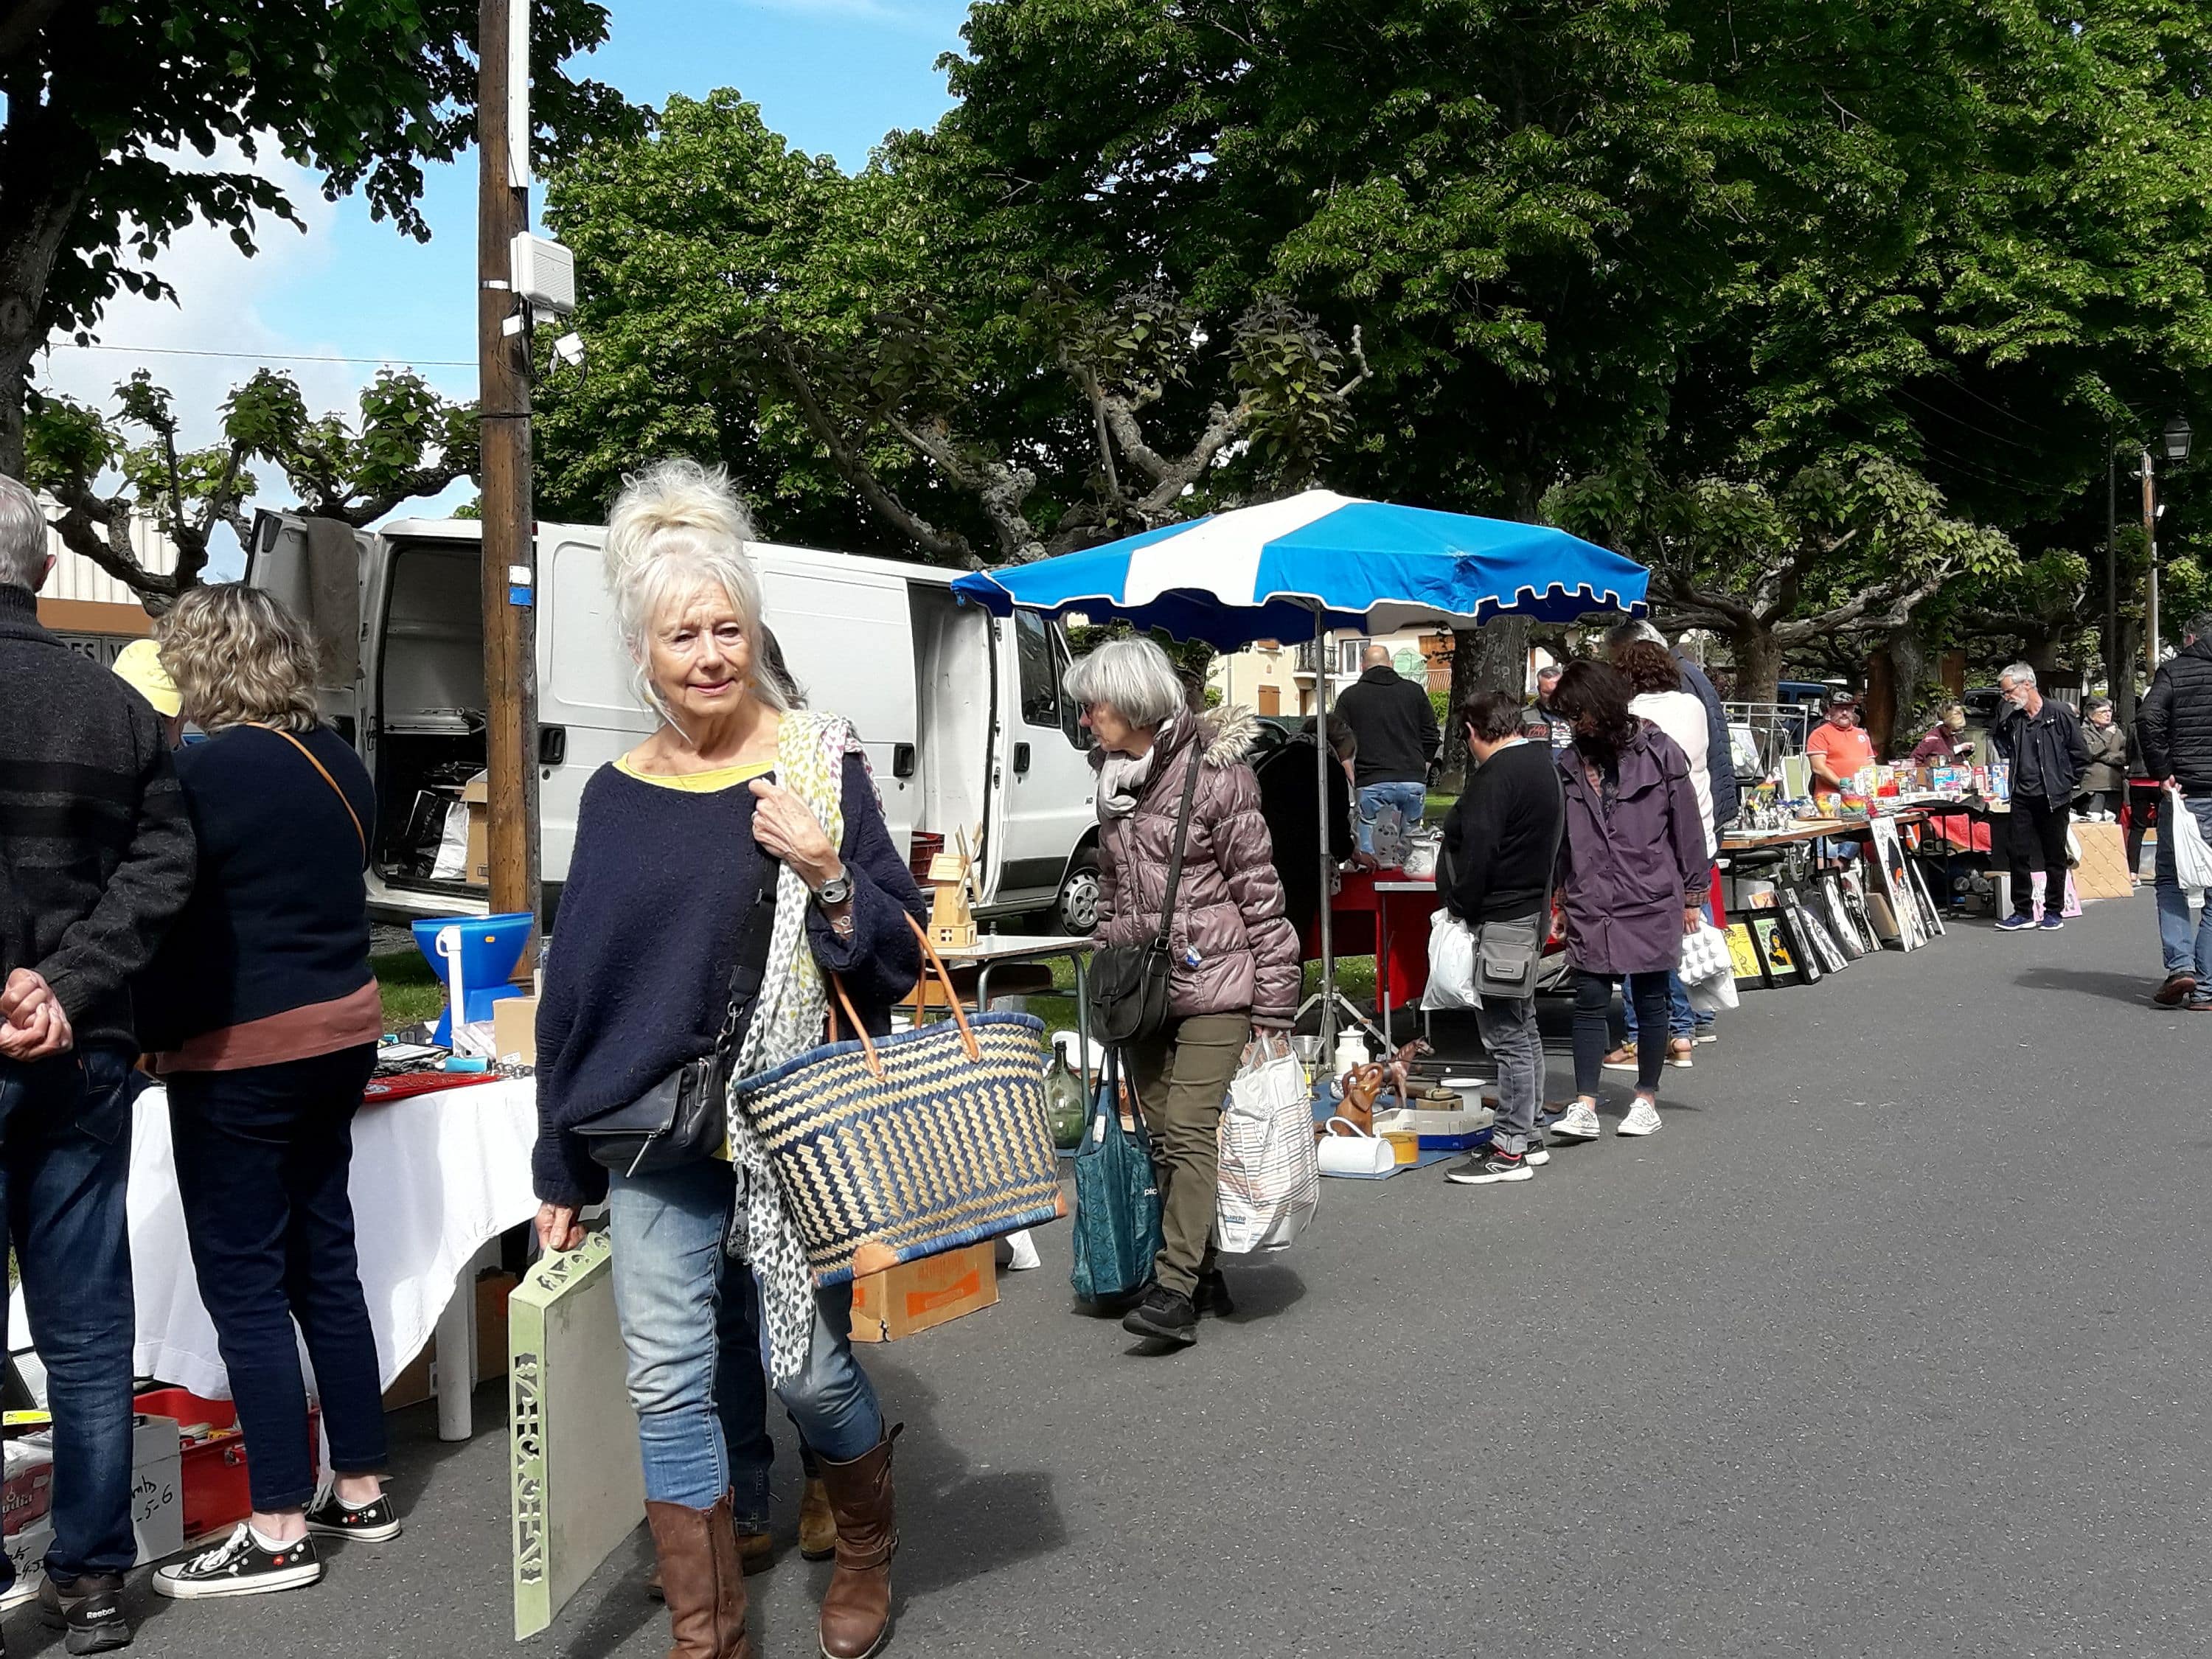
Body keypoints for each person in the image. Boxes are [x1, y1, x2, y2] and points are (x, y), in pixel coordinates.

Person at [531, 460, 927, 1659]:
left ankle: (864, 1541)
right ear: (641, 655)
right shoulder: (615, 795)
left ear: (754, 633)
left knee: (804, 1374)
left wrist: (822, 866)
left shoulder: (815, 764)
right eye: (680, 635)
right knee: (671, 1386)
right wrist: (560, 1168)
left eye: (726, 627)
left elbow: (900, 952)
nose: (707, 653)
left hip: (794, 1127)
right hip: (654, 1132)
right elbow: (578, 990)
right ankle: (712, 1639)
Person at [131, 587, 398, 1601]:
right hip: (342, 1031)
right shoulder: (340, 760)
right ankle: (362, 1484)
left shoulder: (205, 773)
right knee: (323, 1260)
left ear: (201, 662)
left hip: (243, 1048)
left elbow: (180, 924)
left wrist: (152, 1038)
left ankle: (278, 1521)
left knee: (244, 1282)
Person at [0, 473, 195, 1652]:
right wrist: (65, 985)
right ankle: (90, 1580)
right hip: (85, 1046)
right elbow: (164, 865)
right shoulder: (114, 705)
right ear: (39, 568)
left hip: (62, 1030)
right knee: (83, 1326)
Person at [1071, 638, 1299, 1348]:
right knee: (1166, 1135)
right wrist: (1108, 974)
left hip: (1218, 982)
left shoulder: (1218, 778)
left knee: (1193, 1128)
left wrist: (1274, 1005)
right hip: (1143, 992)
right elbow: (1111, 893)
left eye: (1093, 705)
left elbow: (1259, 895)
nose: (1083, 720)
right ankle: (1201, 1272)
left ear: (1134, 702)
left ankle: (1171, 1290)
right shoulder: (1114, 781)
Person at [1545, 662, 1708, 1144]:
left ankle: (1646, 1099)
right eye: (1568, 717)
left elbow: (1689, 829)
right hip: (1591, 895)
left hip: (1651, 892)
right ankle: (1585, 1105)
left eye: (1581, 714)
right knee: (1590, 998)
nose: (1576, 725)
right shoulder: (1568, 765)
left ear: (1604, 705)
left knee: (1651, 996)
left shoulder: (1661, 753)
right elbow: (1561, 841)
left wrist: (1693, 895)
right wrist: (1558, 893)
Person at [1438, 689, 1565, 1186]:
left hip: (1503, 914)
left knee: (1505, 1033)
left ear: (1472, 731)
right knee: (1523, 1023)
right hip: (1528, 908)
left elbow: (1480, 853)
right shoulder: (1542, 765)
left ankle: (1510, 1145)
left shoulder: (1497, 776)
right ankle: (1527, 1133)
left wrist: (1463, 905)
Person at [1607, 637, 1716, 1071]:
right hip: (1700, 826)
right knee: (1688, 930)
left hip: (1653, 836)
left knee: (1645, 938)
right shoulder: (1693, 705)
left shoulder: (1635, 717)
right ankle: (1691, 1023)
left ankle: (1644, 1036)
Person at [2137, 612, 2212, 1006]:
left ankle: (2181, 965)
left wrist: (2163, 771)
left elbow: (2148, 718)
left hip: (2186, 793)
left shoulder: (2175, 671)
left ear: (2189, 638)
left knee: (2170, 880)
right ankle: (2207, 987)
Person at [1604, 619, 1739, 832]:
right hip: (1704, 814)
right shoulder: (1691, 692)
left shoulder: (1638, 711)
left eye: (1615, 660)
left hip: (1674, 824)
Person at [1990, 664, 2088, 933]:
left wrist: (2066, 782)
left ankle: (2053, 910)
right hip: (2022, 793)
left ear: (2027, 685)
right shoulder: (2013, 718)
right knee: (2017, 851)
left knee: (2054, 853)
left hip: (2053, 795)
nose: (2006, 697)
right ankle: (2023, 911)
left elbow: (2080, 753)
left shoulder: (2059, 714)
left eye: (2009, 691)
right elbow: (1999, 741)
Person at [1254, 714, 1357, 950]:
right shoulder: (1328, 768)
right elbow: (1336, 829)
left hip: (1261, 861)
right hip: (1301, 868)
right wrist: (1350, 852)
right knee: (1293, 940)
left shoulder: (1271, 758)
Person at [1333, 642, 1440, 854]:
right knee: (1411, 846)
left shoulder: (1350, 696)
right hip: (1412, 778)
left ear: (1363, 667)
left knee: (1368, 848)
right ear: (1391, 664)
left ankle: (1370, 879)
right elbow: (1431, 736)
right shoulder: (1415, 692)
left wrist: (1351, 776)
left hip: (1370, 779)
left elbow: (1338, 740)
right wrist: (1422, 768)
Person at [111, 636, 186, 748]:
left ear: (185, 715)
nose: (148, 729)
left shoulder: (201, 761)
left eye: (161, 717)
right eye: (132, 714)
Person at [1804, 692, 1876, 801]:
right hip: (1830, 799)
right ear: (1831, 710)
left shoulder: (1861, 734)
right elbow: (1818, 768)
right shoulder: (1819, 734)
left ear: (1853, 710)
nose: (1844, 713)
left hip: (1862, 797)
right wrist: (1843, 785)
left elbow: (1871, 763)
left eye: (1848, 709)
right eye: (1840, 709)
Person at [2076, 697, 2129, 820]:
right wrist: (2107, 735)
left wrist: (2105, 757)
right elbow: (2090, 751)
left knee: (2112, 824)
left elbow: (2127, 754)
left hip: (2115, 786)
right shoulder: (2084, 732)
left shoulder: (2118, 732)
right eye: (2103, 712)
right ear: (2092, 715)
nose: (2108, 715)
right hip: (2093, 788)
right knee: (2094, 823)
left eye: (2110, 711)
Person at [1910, 703, 1975, 769]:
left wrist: (1963, 749)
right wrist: (1926, 774)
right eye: (1955, 730)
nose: (1957, 733)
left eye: (1960, 729)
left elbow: (1951, 755)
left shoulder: (1953, 736)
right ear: (1945, 726)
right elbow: (1914, 759)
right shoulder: (1933, 739)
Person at [1531, 664, 1572, 748]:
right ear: (1539, 690)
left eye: (1556, 692)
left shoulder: (1575, 716)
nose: (1552, 697)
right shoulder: (1526, 717)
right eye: (1547, 692)